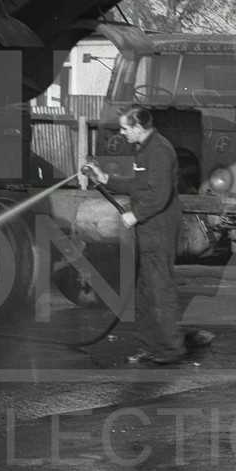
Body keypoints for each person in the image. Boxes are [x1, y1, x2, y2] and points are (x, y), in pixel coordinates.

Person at [92, 106, 213, 366]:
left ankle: (170, 350)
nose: (122, 133)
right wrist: (106, 179)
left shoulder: (159, 150)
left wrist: (135, 216)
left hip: (158, 227)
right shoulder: (144, 149)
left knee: (160, 289)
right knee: (146, 291)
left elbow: (160, 195)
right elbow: (137, 185)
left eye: (125, 128)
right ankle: (150, 346)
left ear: (139, 127)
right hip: (149, 227)